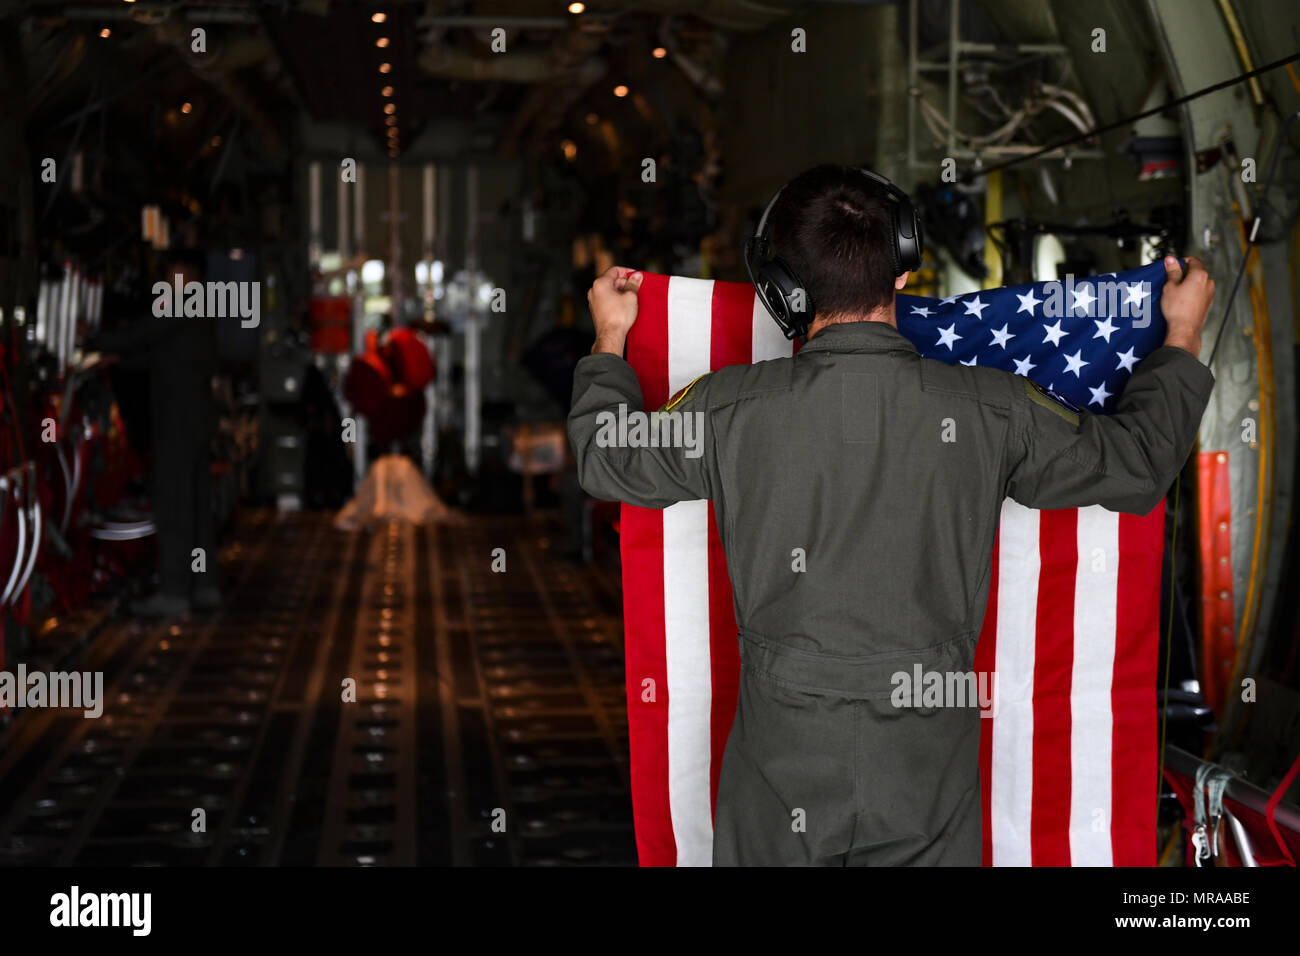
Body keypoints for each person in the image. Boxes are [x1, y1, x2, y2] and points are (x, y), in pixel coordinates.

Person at [566, 164, 1217, 866]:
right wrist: (1180, 332)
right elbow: (1138, 462)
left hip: (779, 762)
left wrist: (610, 335)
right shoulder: (994, 408)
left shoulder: (728, 410)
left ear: (783, 291)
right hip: (926, 767)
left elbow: (607, 455)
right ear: (905, 269)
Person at [91, 248, 221, 617]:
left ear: (191, 275)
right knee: (196, 507)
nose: (167, 283)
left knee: (175, 505)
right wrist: (119, 360)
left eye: (173, 275)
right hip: (196, 422)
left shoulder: (183, 304)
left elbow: (140, 333)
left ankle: (175, 591)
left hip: (178, 423)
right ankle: (203, 584)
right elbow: (161, 354)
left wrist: (93, 338)